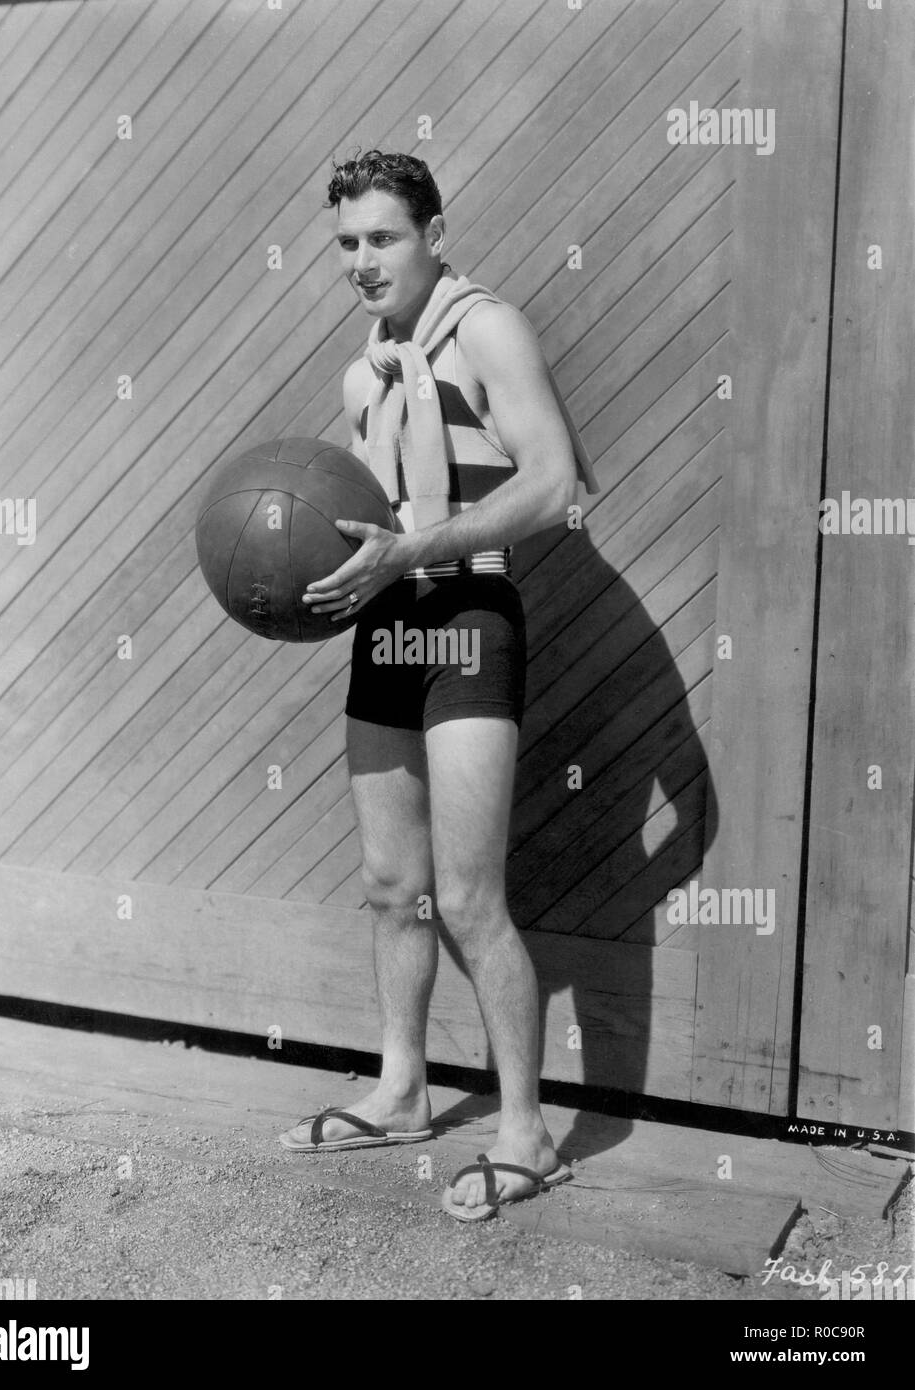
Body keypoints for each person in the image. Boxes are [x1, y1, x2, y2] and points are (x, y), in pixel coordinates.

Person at [278, 151, 599, 1221]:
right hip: (387, 624)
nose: (362, 261)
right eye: (346, 243)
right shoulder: (364, 365)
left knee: (465, 893)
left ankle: (524, 1132)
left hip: (466, 616)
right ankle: (404, 1088)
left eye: (383, 237)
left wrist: (413, 554)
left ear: (435, 233)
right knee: (389, 883)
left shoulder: (487, 328)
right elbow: (375, 517)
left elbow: (555, 484)